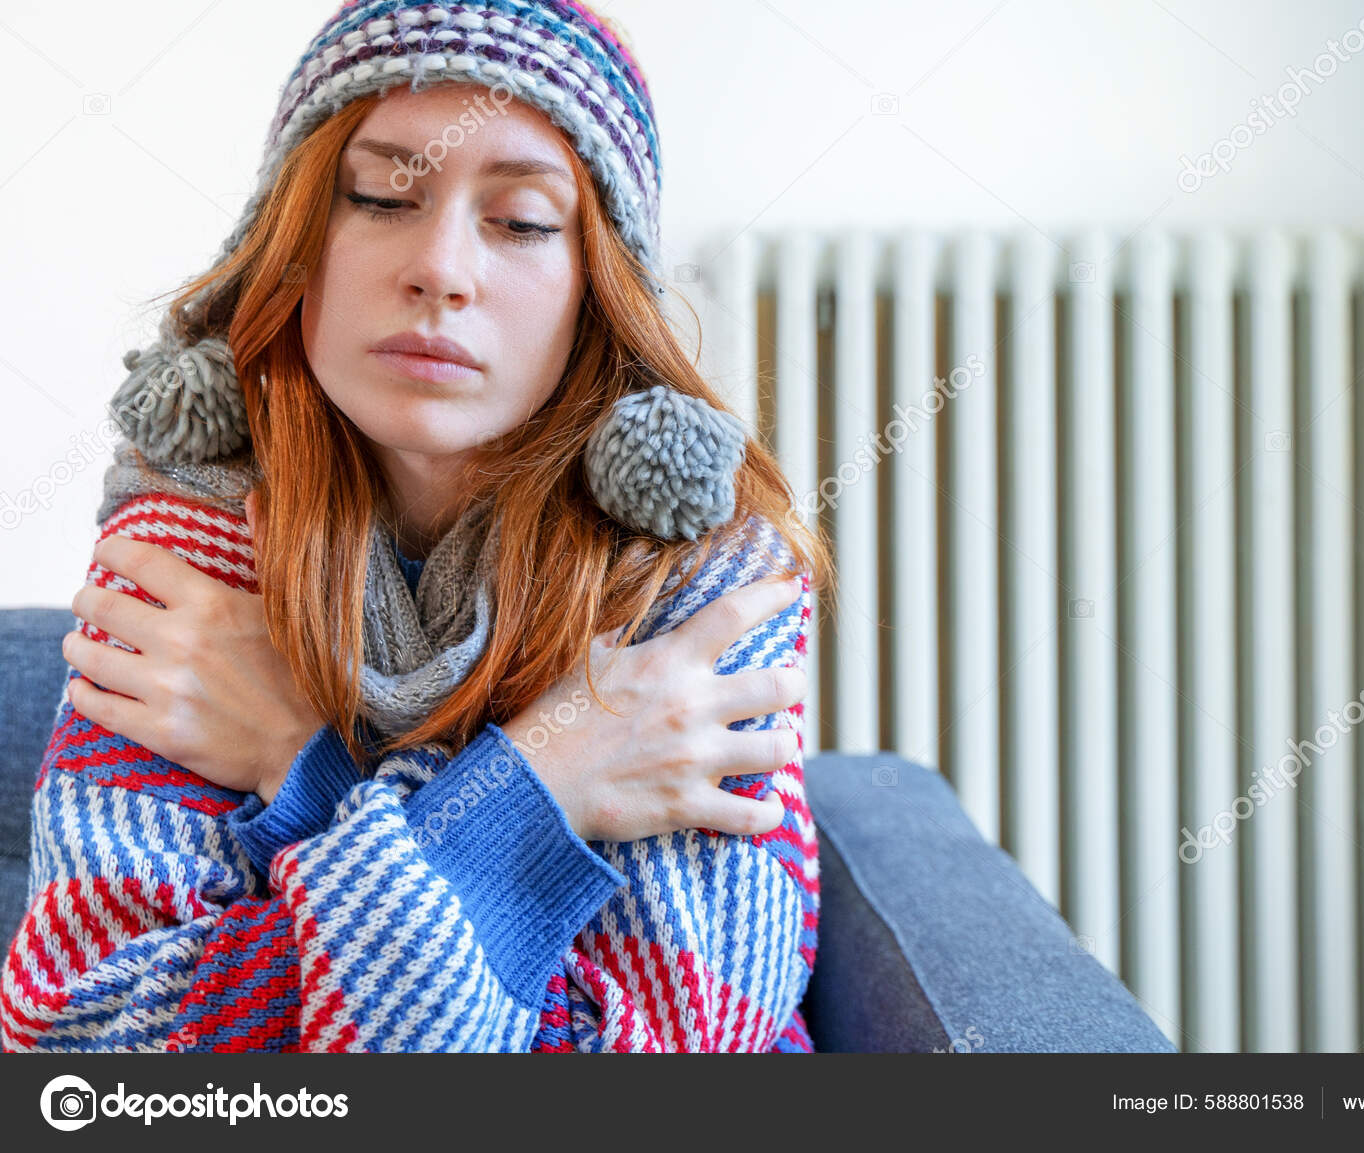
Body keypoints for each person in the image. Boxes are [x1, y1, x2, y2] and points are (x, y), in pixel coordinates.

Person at [1, 0, 832, 1053]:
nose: (441, 268)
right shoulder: (189, 549)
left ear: (597, 287)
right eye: (384, 195)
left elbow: (677, 1049)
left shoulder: (701, 580)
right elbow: (82, 1046)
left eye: (523, 220)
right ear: (297, 242)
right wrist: (536, 797)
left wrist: (305, 774)